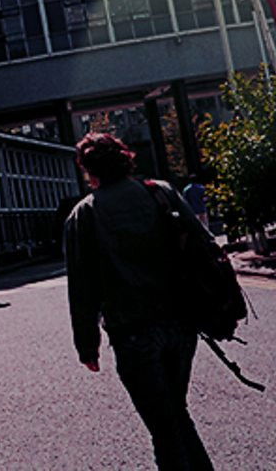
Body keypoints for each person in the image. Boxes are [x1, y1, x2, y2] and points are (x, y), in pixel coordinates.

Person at [65, 132, 215, 471]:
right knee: (174, 414)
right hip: (181, 327)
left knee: (164, 425)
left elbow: (82, 290)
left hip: (133, 334)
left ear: (86, 168)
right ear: (124, 158)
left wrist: (87, 347)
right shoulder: (160, 192)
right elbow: (203, 246)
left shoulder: (84, 214)